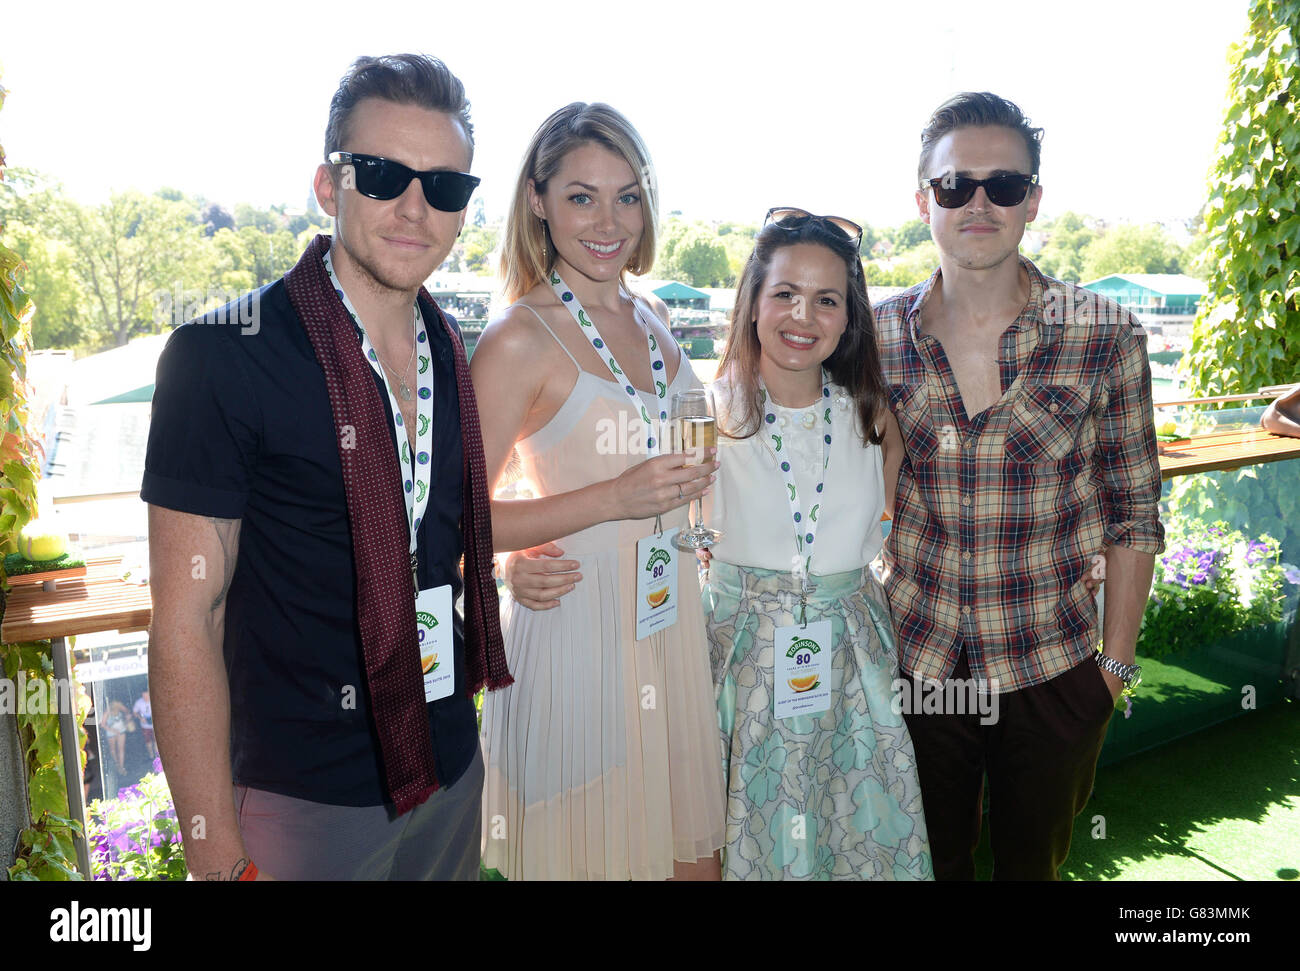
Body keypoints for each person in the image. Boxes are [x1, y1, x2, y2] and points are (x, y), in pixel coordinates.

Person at [143, 53, 508, 881]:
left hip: (449, 765)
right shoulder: (222, 357)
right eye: (382, 174)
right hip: (302, 804)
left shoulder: (452, 351)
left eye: (446, 187)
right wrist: (215, 857)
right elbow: (184, 620)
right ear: (326, 185)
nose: (416, 208)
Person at [875, 92, 1165, 880]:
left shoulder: (1104, 333)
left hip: (1052, 671)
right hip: (917, 666)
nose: (978, 202)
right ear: (921, 200)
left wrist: (1115, 672)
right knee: (930, 864)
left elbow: (1136, 515)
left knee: (1033, 868)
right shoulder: (871, 338)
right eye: (954, 184)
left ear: (1033, 199)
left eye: (1003, 185)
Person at [472, 102, 725, 880]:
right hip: (578, 637)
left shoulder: (653, 319)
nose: (607, 220)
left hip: (669, 627)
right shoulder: (519, 338)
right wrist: (609, 501)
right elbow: (448, 521)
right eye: (582, 195)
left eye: (627, 195)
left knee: (694, 863)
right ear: (538, 201)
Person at [700, 209, 933, 880]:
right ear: (753, 303)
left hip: (853, 665)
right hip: (737, 664)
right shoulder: (702, 412)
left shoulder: (871, 414)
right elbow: (662, 534)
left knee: (848, 835)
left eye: (826, 299)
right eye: (785, 294)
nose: (803, 315)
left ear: (847, 316)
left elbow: (882, 526)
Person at [132, 689, 154, 760]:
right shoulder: (139, 702)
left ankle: (157, 756)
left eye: (146, 695)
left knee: (156, 741)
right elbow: (134, 712)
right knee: (148, 741)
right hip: (145, 726)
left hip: (154, 725)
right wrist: (140, 718)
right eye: (143, 696)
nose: (145, 697)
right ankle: (151, 755)